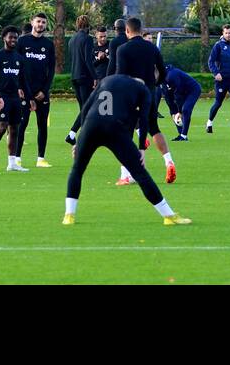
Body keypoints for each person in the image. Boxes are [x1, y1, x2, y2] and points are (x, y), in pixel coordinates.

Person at [62, 74, 191, 227]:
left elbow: (85, 108)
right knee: (140, 173)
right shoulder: (143, 89)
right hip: (114, 128)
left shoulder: (108, 80)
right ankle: (168, 215)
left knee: (77, 170)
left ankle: (69, 215)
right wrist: (142, 147)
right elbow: (143, 121)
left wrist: (80, 139)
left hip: (91, 126)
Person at [111, 17, 175, 185]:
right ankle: (169, 161)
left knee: (124, 133)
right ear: (141, 30)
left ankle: (126, 175)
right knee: (154, 128)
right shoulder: (152, 48)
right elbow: (162, 71)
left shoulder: (122, 49)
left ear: (127, 30)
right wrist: (155, 84)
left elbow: (120, 75)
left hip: (130, 96)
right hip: (149, 93)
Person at [0, 26, 30, 172]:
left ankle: (11, 163)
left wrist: (30, 98)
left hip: (15, 99)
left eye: (15, 37)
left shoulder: (19, 58)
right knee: (1, 128)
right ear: (4, 38)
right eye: (10, 37)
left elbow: (23, 81)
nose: (13, 40)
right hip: (2, 98)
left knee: (14, 130)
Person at [16, 13, 55, 167]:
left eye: (43, 22)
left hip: (41, 92)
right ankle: (16, 158)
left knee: (42, 125)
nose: (40, 24)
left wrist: (44, 90)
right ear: (32, 22)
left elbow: (51, 70)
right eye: (38, 21)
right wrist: (19, 86)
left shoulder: (48, 44)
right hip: (25, 91)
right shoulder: (22, 41)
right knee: (22, 124)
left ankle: (41, 158)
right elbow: (16, 65)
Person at [205, 24, 230, 135]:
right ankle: (209, 123)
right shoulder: (218, 45)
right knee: (218, 103)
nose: (228, 35)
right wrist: (216, 73)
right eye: (226, 33)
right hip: (221, 81)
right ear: (223, 33)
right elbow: (210, 61)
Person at [65, 15, 94, 144]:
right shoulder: (87, 39)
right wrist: (95, 77)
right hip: (84, 77)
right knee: (86, 107)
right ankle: (74, 134)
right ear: (88, 25)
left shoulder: (71, 40)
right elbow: (88, 60)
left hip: (74, 76)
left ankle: (77, 135)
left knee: (83, 107)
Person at [161, 64, 202, 140]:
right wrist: (173, 112)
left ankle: (183, 136)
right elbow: (168, 97)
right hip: (181, 92)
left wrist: (179, 111)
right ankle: (181, 135)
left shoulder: (172, 75)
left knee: (185, 110)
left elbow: (178, 94)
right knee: (173, 111)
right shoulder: (161, 80)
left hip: (193, 90)